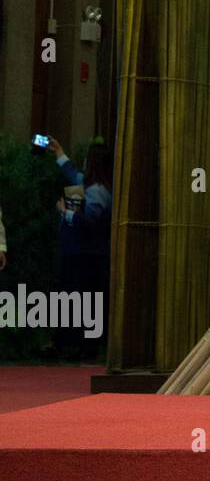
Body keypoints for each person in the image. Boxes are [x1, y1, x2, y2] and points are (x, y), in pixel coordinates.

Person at [44, 138, 113, 359]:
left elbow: (88, 220)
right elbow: (73, 175)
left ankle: (84, 347)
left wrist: (65, 212)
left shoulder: (98, 192)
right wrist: (59, 153)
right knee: (84, 300)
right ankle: (76, 344)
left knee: (84, 300)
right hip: (88, 253)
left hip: (87, 254)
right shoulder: (94, 186)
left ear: (92, 163)